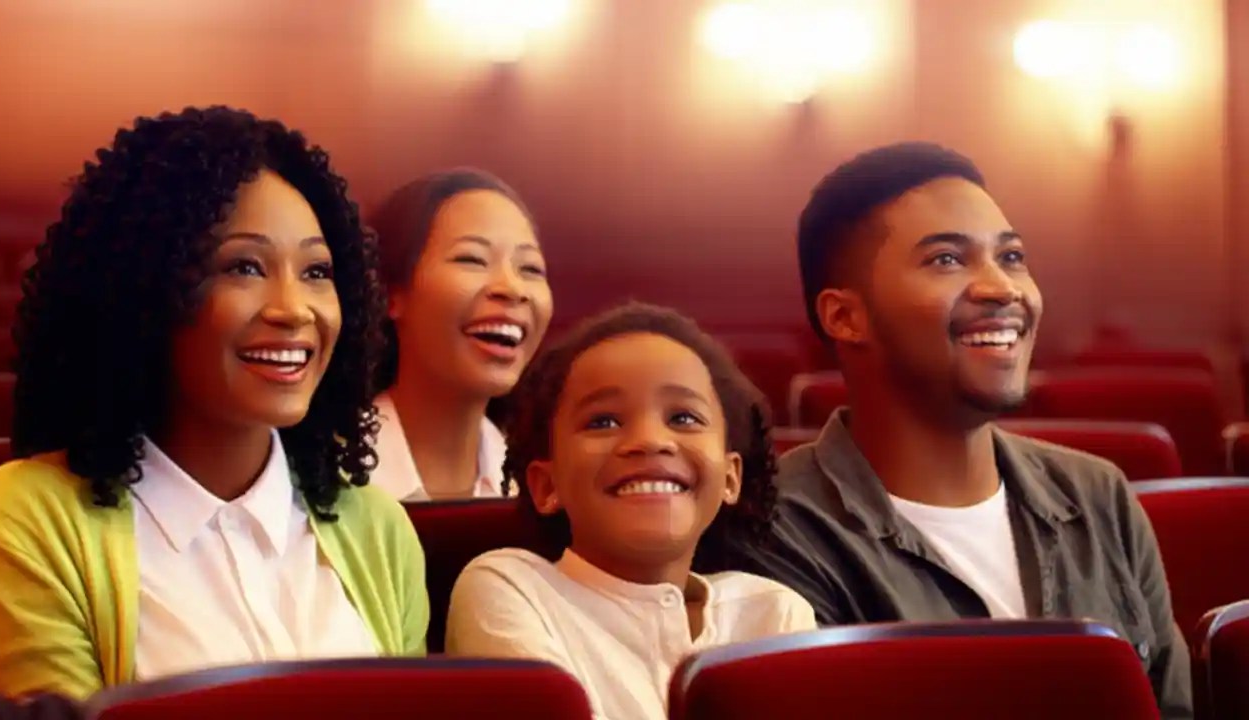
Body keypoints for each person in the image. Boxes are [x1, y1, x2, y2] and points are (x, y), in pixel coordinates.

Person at [0, 106, 429, 700]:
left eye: (317, 271)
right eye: (244, 266)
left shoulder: (378, 526)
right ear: (147, 293)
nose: (294, 308)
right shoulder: (32, 517)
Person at [731, 142, 1191, 717]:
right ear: (845, 316)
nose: (1003, 289)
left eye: (1013, 256)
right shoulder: (772, 529)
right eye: (947, 259)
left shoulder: (1098, 495)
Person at [445, 303, 815, 720]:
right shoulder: (510, 589)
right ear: (546, 486)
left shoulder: (775, 612)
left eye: (683, 417)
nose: (650, 440)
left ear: (731, 478)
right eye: (603, 422)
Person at [367, 169, 553, 501]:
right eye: (472, 259)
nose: (512, 289)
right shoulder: (311, 480)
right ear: (391, 295)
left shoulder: (540, 492)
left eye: (530, 269)